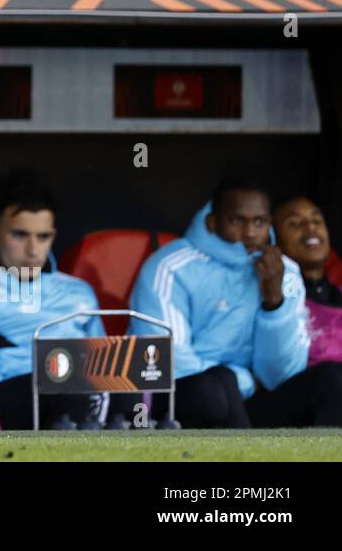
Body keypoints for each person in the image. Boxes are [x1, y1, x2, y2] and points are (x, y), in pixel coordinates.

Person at [130, 178, 342, 428]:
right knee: (218, 384)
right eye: (237, 221)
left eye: (259, 222)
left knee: (332, 378)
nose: (251, 233)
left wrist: (274, 302)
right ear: (212, 222)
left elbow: (282, 375)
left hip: (249, 405)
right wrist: (246, 381)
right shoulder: (171, 266)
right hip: (185, 397)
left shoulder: (286, 272)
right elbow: (166, 362)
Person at [0, 168, 129, 430]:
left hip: (77, 392)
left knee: (131, 385)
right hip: (2, 397)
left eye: (43, 237)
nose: (32, 250)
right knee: (77, 390)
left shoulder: (78, 292)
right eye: (20, 235)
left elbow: (104, 363)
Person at [274, 196, 342, 366]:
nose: (311, 227)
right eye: (295, 224)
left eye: (317, 220)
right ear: (275, 240)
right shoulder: (272, 301)